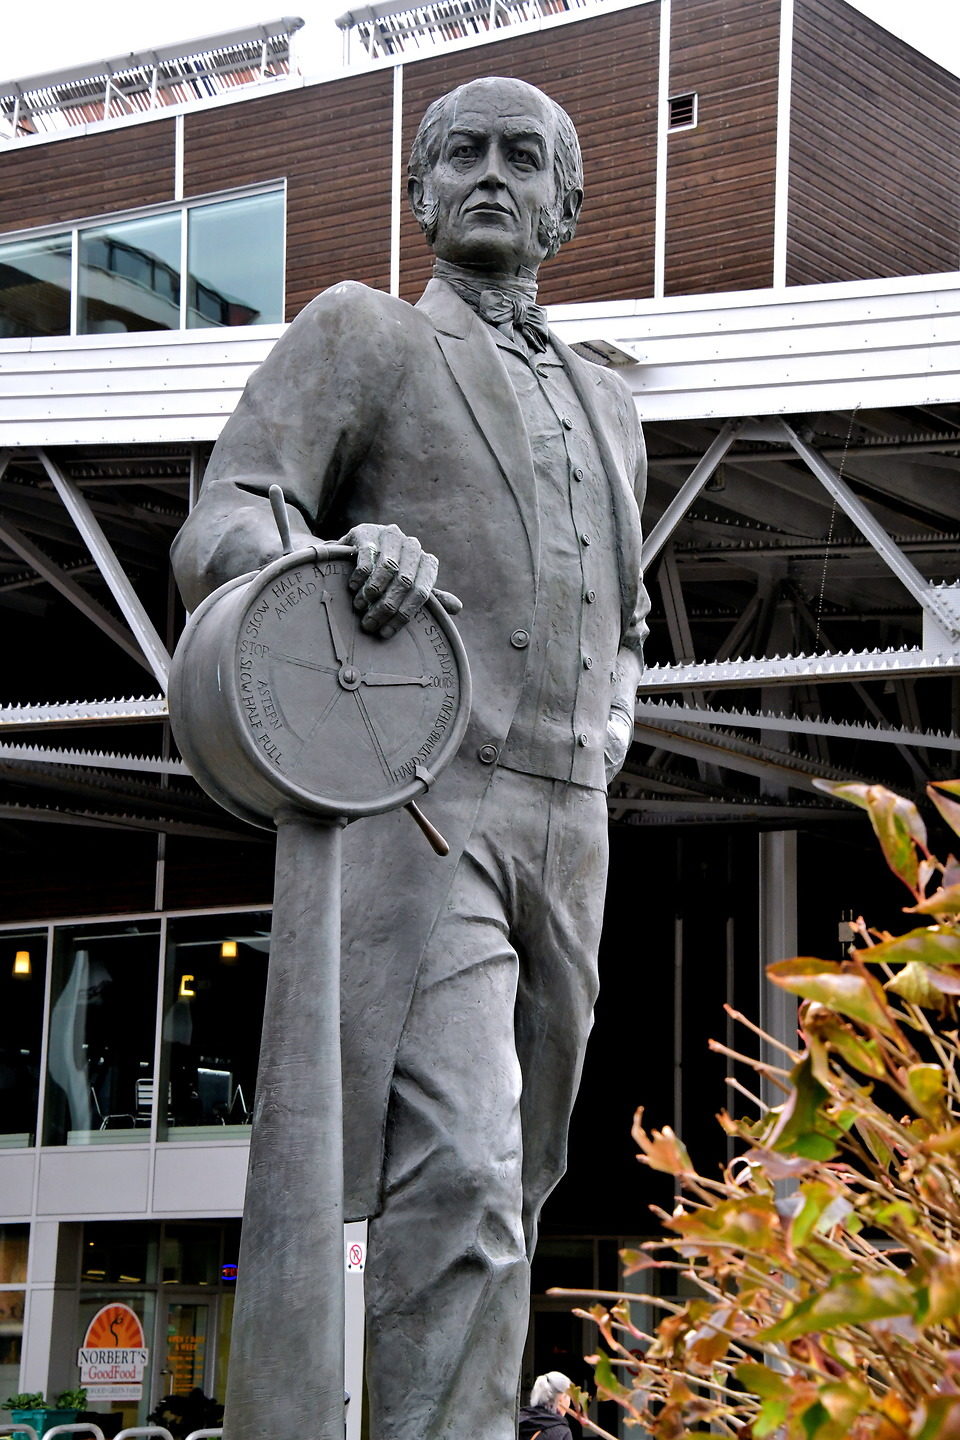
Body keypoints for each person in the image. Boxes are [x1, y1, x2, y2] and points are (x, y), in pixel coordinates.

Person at [171, 75, 647, 1440]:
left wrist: (613, 721)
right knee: (464, 1174)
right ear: (421, 193)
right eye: (463, 154)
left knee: (526, 1176)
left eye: (522, 158)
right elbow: (228, 519)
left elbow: (628, 617)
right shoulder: (364, 336)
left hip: (574, 819)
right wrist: (328, 558)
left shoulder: (615, 409)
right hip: (432, 806)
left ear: (566, 204)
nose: (491, 175)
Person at [519, 1373, 574, 1440]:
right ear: (561, 1399)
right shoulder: (562, 1432)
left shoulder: (517, 1421)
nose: (570, 1402)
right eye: (569, 1397)